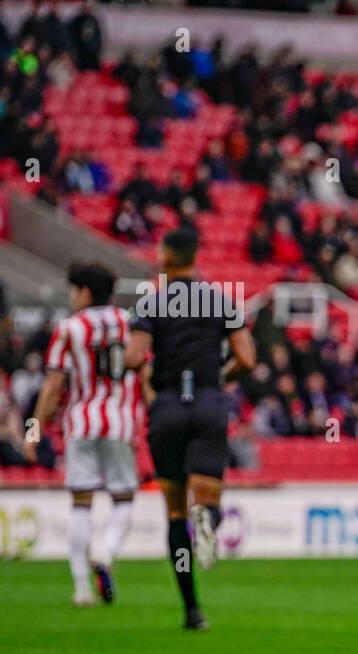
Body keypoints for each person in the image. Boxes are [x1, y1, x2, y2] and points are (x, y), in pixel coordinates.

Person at [125, 229, 256, 630]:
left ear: (166, 255)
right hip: (206, 402)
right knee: (208, 496)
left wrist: (151, 381)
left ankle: (192, 611)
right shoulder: (220, 300)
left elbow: (132, 358)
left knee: (175, 512)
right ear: (195, 256)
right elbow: (247, 359)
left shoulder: (151, 302)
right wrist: (219, 376)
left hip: (167, 407)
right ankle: (210, 519)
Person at [28, 263, 140, 606]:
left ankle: (80, 590)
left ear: (85, 292)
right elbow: (142, 366)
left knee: (81, 503)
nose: (71, 297)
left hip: (81, 421)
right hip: (120, 420)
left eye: (73, 291)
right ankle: (105, 554)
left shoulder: (69, 328)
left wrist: (34, 430)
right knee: (123, 499)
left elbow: (53, 384)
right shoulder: (128, 322)